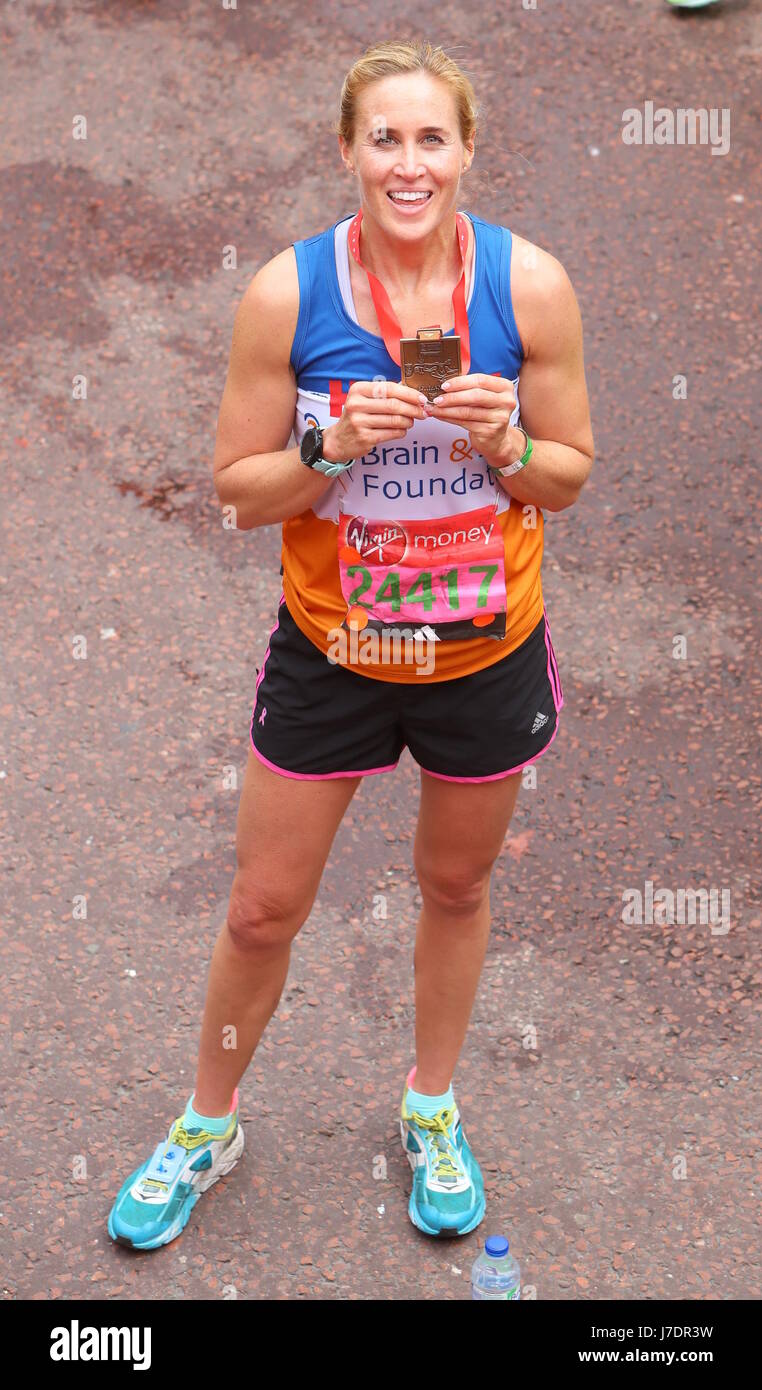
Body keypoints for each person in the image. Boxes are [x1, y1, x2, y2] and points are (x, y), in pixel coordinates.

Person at [108, 38, 594, 1250]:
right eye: (385, 138)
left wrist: (507, 446)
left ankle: (431, 1107)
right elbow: (238, 491)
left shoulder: (529, 286)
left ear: (467, 150)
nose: (407, 163)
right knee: (262, 908)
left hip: (482, 655)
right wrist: (327, 448)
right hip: (335, 654)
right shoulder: (288, 294)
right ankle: (207, 1123)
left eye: (431, 138)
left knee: (455, 885)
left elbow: (568, 475)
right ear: (347, 151)